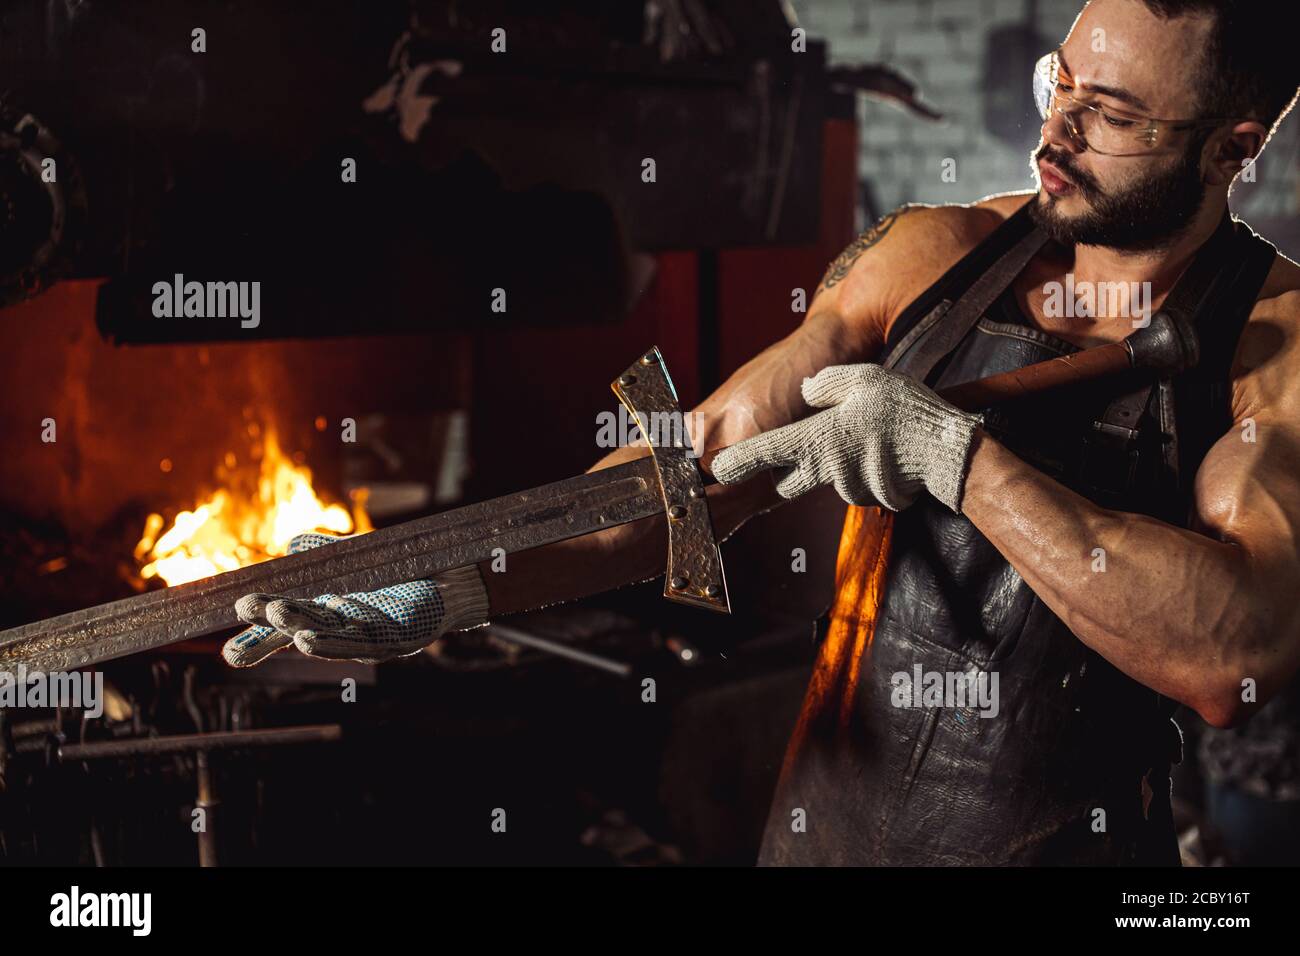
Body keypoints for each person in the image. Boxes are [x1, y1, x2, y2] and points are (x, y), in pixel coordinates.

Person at [222, 0, 1300, 865]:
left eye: (1110, 114)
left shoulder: (1274, 341)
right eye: (1056, 80)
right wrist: (447, 579)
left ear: (1229, 148)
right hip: (823, 832)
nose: (1054, 131)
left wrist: (956, 460)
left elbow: (1232, 648)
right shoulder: (932, 257)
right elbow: (695, 470)